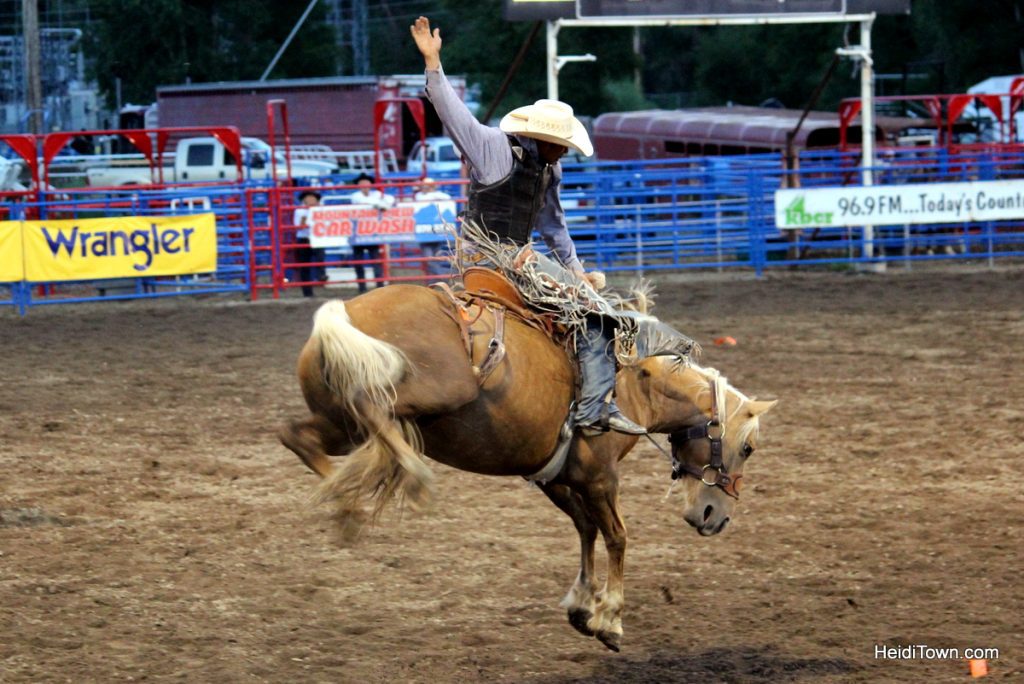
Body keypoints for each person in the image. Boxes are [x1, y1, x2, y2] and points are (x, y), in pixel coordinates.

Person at [411, 16, 645, 436]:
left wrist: (574, 270)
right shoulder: (493, 149)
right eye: (564, 145)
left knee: (584, 301)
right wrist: (433, 64)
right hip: (499, 259)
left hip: (502, 258)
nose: (566, 152)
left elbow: (555, 227)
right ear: (547, 139)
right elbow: (454, 114)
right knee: (599, 315)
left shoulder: (548, 172)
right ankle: (593, 406)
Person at [348, 173, 393, 293]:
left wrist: (383, 203)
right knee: (359, 262)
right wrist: (381, 204)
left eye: (366, 183)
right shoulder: (355, 196)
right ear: (358, 185)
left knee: (375, 261)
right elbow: (366, 202)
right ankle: (362, 287)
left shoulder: (377, 194)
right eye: (362, 183)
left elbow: (390, 199)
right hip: (358, 233)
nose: (364, 185)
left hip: (372, 232)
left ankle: (379, 286)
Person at [413, 177, 452, 280]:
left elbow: (447, 198)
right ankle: (444, 277)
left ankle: (435, 280)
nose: (426, 187)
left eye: (429, 185)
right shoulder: (419, 196)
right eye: (425, 185)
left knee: (435, 258)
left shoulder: (439, 195)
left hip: (436, 232)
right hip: (426, 232)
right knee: (430, 259)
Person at [292, 189, 325, 298]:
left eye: (313, 198)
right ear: (304, 200)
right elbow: (299, 227)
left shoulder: (321, 209)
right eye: (309, 198)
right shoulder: (299, 211)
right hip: (304, 238)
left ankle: (321, 275)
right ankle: (307, 292)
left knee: (320, 257)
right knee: (305, 266)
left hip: (317, 238)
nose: (311, 200)